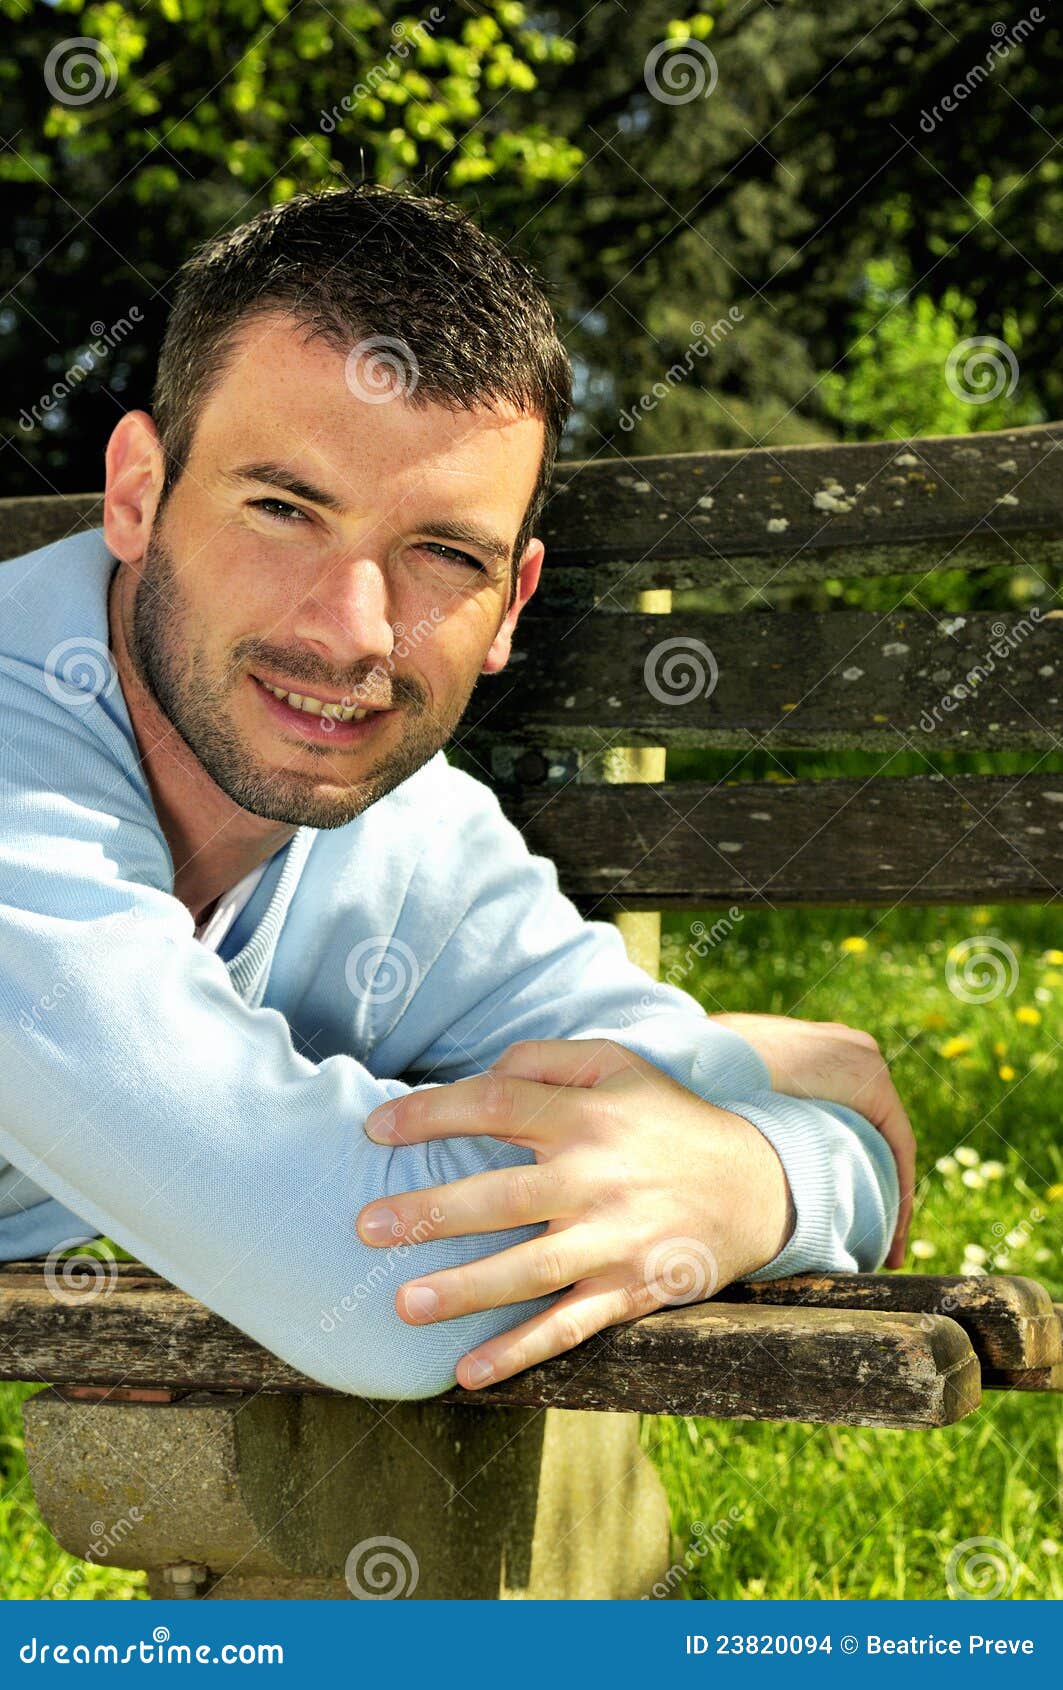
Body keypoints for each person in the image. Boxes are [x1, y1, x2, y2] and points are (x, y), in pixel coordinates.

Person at [0, 185, 910, 1401]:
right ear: (136, 494)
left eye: (443, 554)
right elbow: (389, 1299)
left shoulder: (414, 841)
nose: (351, 631)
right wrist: (756, 1157)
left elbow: (756, 1123)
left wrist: (762, 1169)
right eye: (283, 509)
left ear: (512, 602)